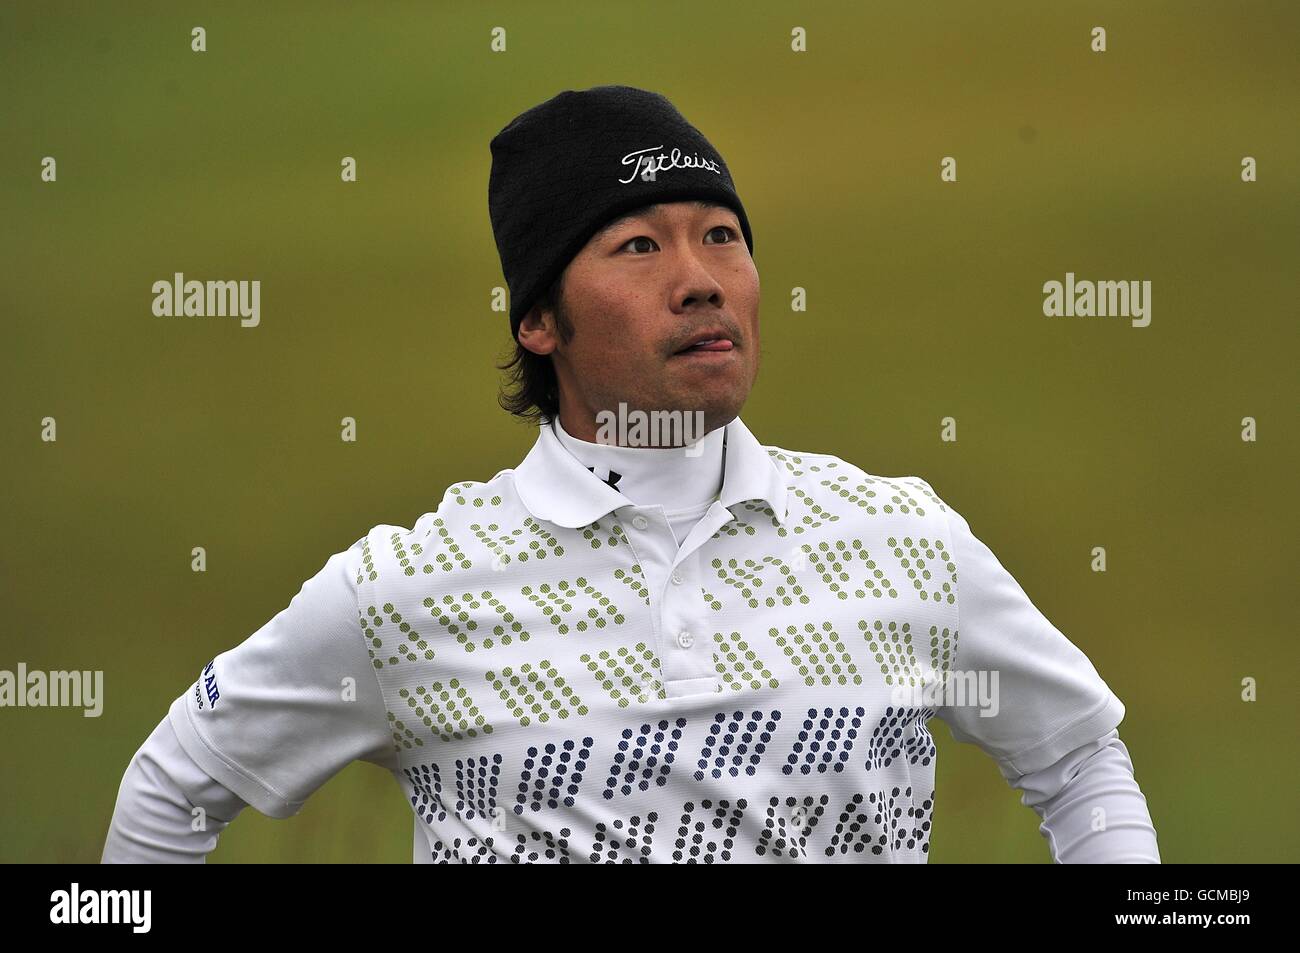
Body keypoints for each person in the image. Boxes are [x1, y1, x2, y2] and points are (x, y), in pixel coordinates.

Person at [103, 85, 1159, 864]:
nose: (702, 282)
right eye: (638, 248)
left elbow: (1076, 761)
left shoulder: (899, 538)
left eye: (722, 236)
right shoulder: (403, 593)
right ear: (537, 318)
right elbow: (172, 789)